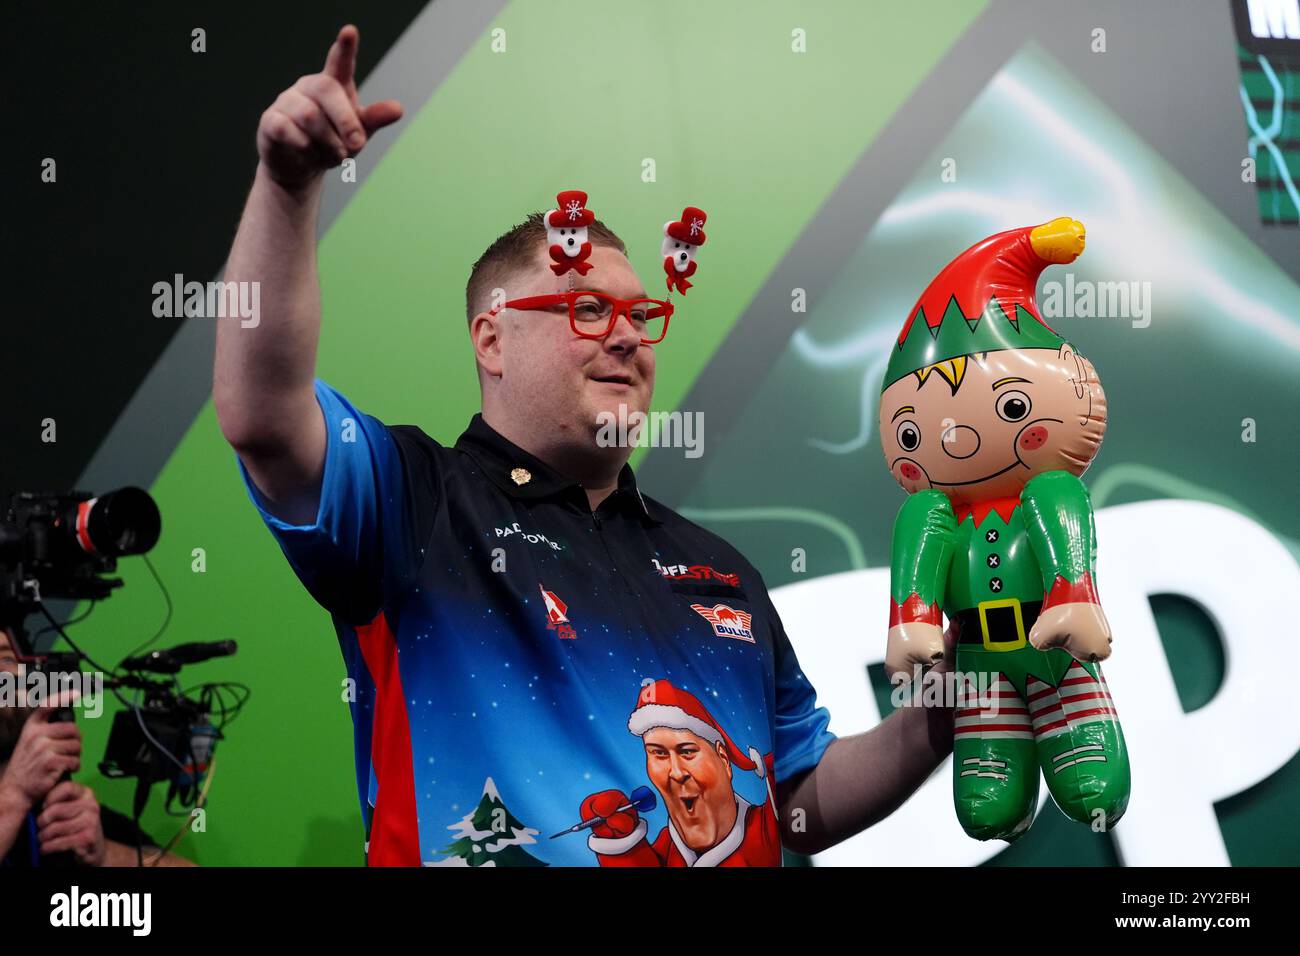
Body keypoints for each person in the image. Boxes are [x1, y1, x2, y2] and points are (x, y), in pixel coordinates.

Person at [214, 24, 955, 867]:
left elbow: (795, 800)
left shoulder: (720, 568)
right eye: (587, 311)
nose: (629, 337)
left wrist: (943, 719)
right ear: (491, 340)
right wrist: (286, 185)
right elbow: (261, 416)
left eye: (642, 315)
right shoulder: (410, 499)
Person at [0, 627, 195, 867]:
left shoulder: (64, 814)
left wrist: (104, 855)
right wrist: (14, 795)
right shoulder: (16, 799)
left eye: (6, 659)